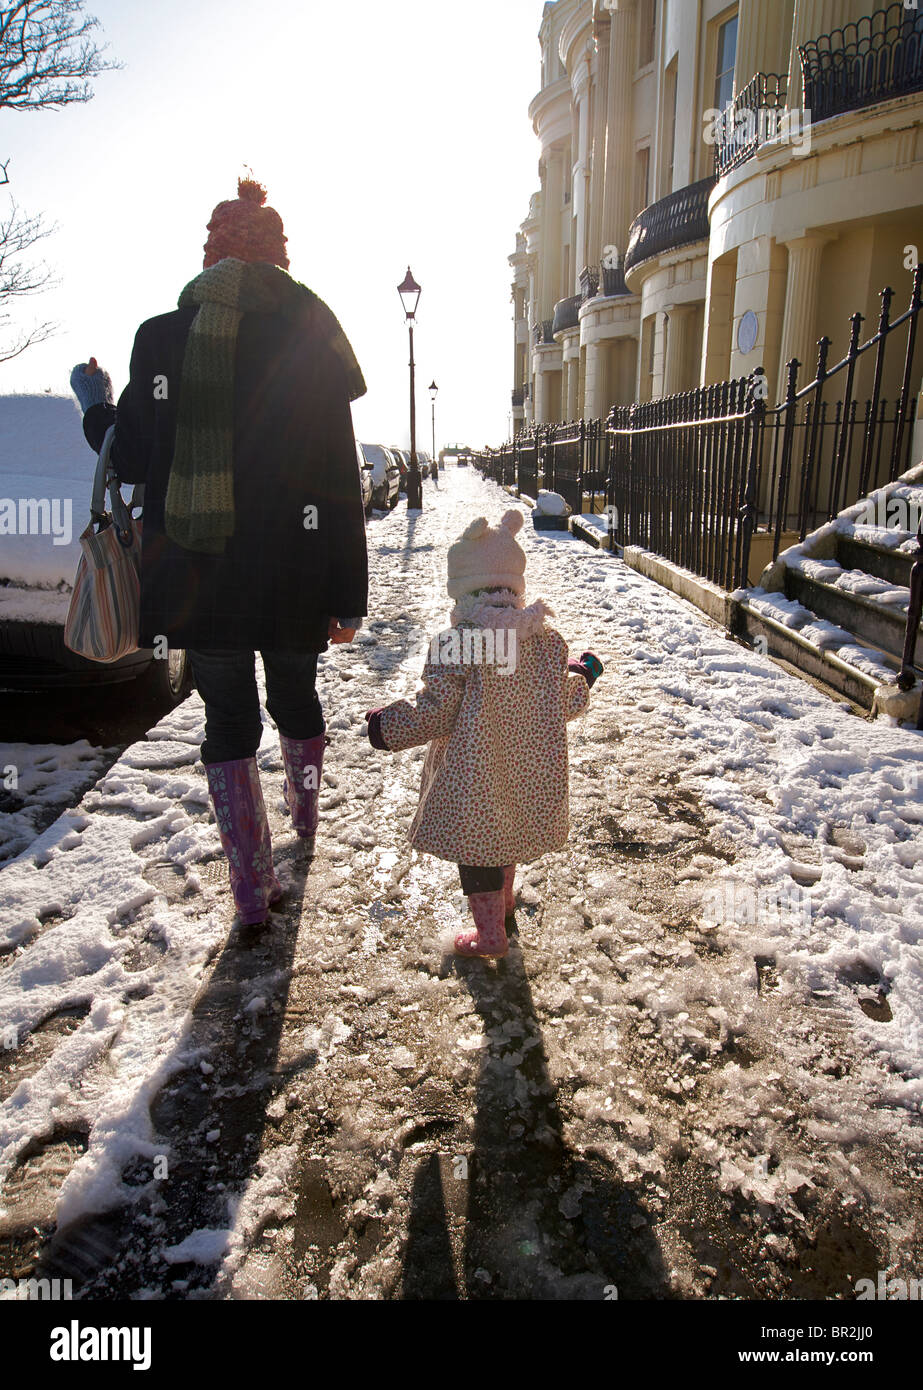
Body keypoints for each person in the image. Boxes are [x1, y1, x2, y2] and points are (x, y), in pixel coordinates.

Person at [70, 176, 368, 928]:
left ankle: (249, 890)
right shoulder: (312, 333)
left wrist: (95, 405)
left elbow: (133, 457)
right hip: (296, 574)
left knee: (227, 722)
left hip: (201, 575)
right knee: (295, 700)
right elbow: (337, 475)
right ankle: (303, 820)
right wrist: (348, 595)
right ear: (278, 256)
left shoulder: (164, 336)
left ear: (210, 253)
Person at [365, 509, 602, 959]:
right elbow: (564, 699)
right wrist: (584, 675)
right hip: (526, 772)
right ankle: (505, 904)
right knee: (506, 835)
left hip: (474, 777)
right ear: (514, 586)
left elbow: (435, 713)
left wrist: (385, 727)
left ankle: (490, 934)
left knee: (477, 848)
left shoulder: (458, 644)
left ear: (463, 590)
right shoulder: (546, 641)